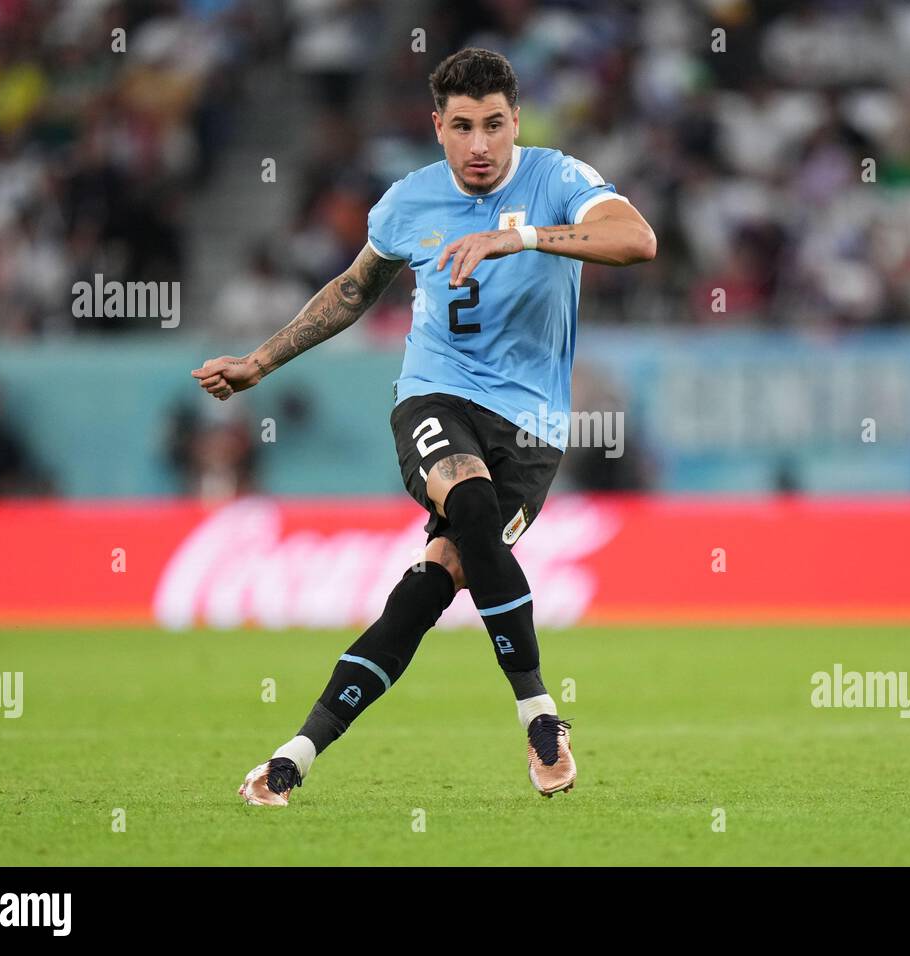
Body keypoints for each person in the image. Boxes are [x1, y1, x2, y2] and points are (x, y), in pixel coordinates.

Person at [192, 48, 656, 805]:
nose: (481, 145)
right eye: (464, 127)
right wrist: (260, 361)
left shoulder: (557, 178)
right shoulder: (408, 202)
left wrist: (522, 236)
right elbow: (350, 292)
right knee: (467, 502)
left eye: (496, 125)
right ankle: (540, 714)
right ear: (438, 127)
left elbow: (638, 241)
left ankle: (297, 752)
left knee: (434, 582)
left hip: (533, 427)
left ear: (516, 123)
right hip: (435, 396)